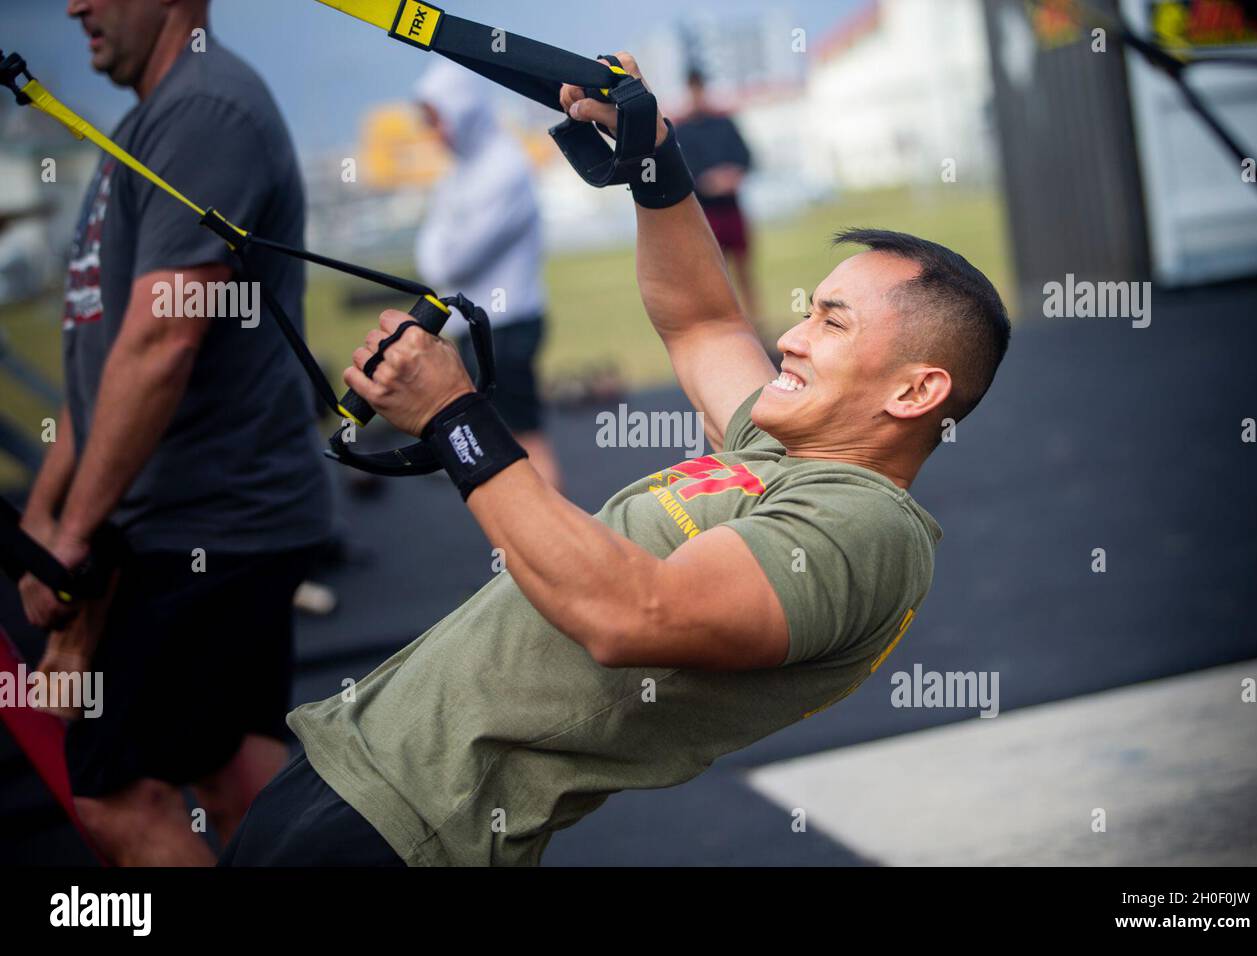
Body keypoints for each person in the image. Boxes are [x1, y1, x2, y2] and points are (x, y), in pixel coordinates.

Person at [221, 52, 1009, 867]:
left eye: (832, 324)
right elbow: (703, 321)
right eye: (809, 311)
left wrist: (454, 418)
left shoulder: (864, 527)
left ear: (916, 393)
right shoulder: (782, 448)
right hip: (351, 764)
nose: (791, 334)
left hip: (409, 829)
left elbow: (635, 613)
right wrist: (653, 162)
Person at [17, 0, 331, 864]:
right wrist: (45, 518)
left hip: (209, 524)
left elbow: (161, 342)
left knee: (119, 795)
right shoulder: (153, 119)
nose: (73, 4)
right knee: (233, 768)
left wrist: (71, 540)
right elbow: (104, 359)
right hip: (208, 520)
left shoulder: (204, 110)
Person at [412, 60, 564, 491]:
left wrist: (444, 240)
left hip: (507, 325)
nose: (433, 131)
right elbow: (430, 255)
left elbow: (447, 262)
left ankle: (565, 550)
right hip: (478, 327)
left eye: (436, 118)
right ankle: (533, 552)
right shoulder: (460, 173)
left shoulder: (504, 168)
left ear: (462, 110)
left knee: (525, 443)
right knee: (497, 449)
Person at [673, 67, 759, 323]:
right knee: (715, 272)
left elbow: (746, 157)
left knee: (744, 269)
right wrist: (708, 182)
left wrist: (731, 176)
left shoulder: (723, 122)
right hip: (707, 212)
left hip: (731, 207)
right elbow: (685, 169)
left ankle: (755, 320)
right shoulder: (682, 129)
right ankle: (729, 323)